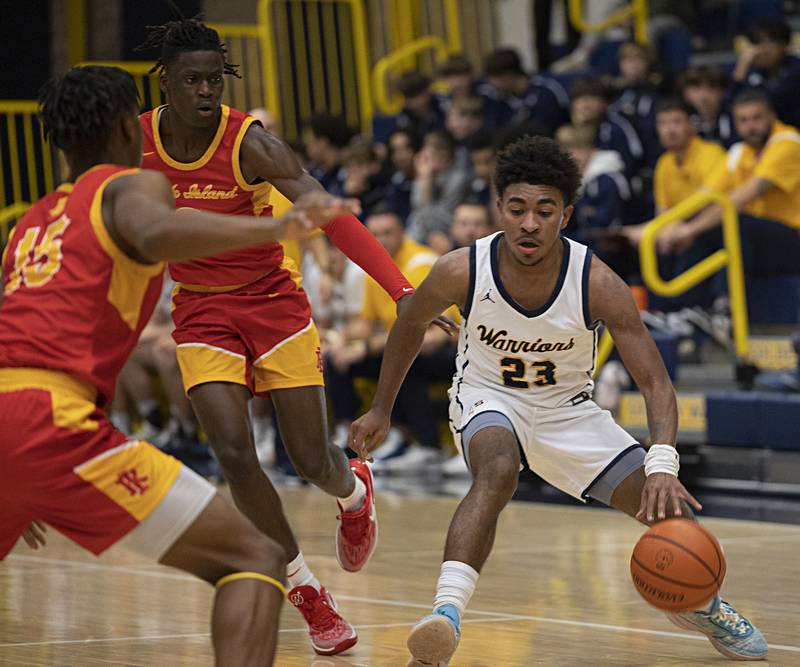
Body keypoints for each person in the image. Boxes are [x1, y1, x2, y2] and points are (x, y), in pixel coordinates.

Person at [350, 135, 768, 666]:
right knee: (497, 469)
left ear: (564, 215)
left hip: (568, 410)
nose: (529, 223)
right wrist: (383, 408)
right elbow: (408, 327)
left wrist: (663, 463)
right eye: (518, 208)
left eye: (544, 211)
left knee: (674, 522)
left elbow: (657, 385)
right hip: (487, 398)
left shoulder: (597, 281)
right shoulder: (461, 268)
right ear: (500, 208)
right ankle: (445, 618)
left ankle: (698, 602)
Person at [0, 65, 356, 666]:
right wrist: (275, 225)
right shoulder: (130, 188)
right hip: (50, 422)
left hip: (12, 421)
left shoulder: (29, 225)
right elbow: (159, 229)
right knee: (254, 558)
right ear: (123, 127)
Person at [136, 18, 454, 655]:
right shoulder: (135, 144)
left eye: (213, 79)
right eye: (190, 80)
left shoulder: (250, 143)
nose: (204, 90)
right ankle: (305, 590)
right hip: (200, 311)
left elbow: (326, 213)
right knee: (232, 452)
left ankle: (354, 490)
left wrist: (400, 289)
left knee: (311, 460)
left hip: (273, 305)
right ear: (165, 83)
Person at [326, 209, 458, 473]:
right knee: (334, 358)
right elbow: (366, 322)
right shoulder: (376, 267)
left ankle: (427, 446)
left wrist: (365, 347)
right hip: (398, 340)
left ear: (403, 233)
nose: (381, 240)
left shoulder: (421, 263)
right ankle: (347, 432)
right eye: (375, 235)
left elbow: (430, 332)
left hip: (446, 346)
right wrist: (342, 339)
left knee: (408, 361)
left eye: (387, 233)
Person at [659, 90, 800, 278]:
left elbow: (742, 197)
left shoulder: (788, 143)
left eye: (756, 118)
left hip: (793, 235)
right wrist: (670, 228)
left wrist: (689, 229)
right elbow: (705, 196)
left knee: (731, 222)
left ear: (772, 116)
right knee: (695, 233)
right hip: (764, 236)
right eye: (743, 120)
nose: (751, 126)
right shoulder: (738, 152)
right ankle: (685, 305)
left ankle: (722, 303)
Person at [732, 17, 800, 129]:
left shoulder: (796, 69)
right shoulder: (752, 71)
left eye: (769, 42)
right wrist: (742, 67)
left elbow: (773, 102)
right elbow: (733, 104)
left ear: (784, 44)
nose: (762, 49)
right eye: (757, 43)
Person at [679, 65, 737, 148]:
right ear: (686, 94)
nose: (704, 96)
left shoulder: (735, 120)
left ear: (722, 92)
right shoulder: (682, 124)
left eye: (711, 88)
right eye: (697, 88)